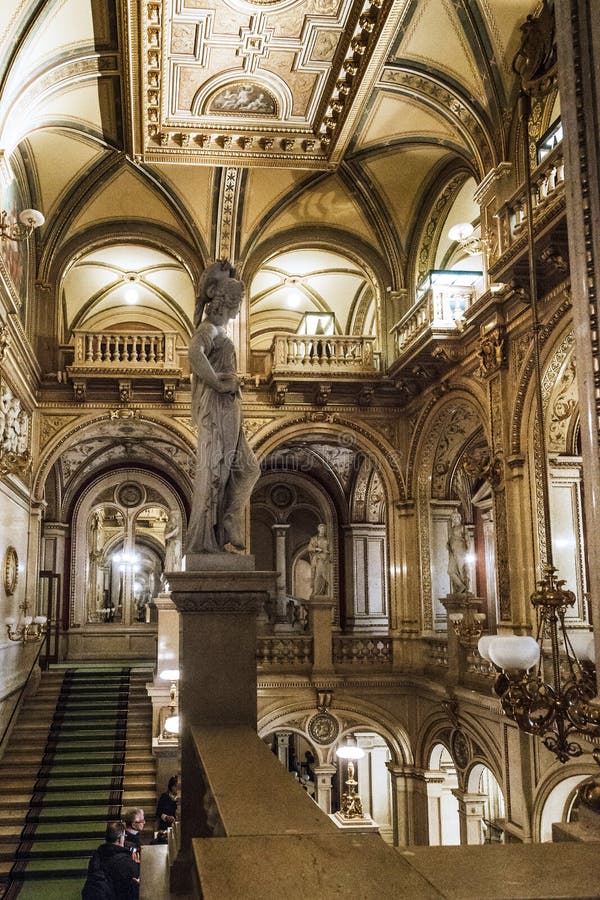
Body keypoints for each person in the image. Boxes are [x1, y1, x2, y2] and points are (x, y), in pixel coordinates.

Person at [186, 260, 260, 554]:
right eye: (237, 303)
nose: (239, 310)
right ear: (226, 303)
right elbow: (194, 353)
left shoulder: (219, 330)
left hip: (230, 407)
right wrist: (217, 383)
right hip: (218, 407)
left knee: (246, 469)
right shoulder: (210, 328)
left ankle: (227, 521)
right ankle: (210, 536)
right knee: (220, 469)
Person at [82, 820, 139, 900]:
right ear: (120, 838)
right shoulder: (125, 861)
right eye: (124, 836)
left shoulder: (96, 856)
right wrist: (136, 865)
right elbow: (134, 882)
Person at [447, 509, 470, 595]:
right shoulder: (452, 529)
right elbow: (450, 540)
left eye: (455, 518)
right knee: (450, 570)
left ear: (459, 518)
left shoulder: (462, 528)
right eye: (452, 518)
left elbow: (467, 540)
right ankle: (461, 586)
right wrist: (448, 544)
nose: (454, 519)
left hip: (461, 552)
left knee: (461, 570)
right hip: (453, 552)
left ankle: (465, 588)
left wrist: (467, 551)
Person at [308, 523, 331, 596]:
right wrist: (316, 549)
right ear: (318, 529)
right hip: (318, 558)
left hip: (326, 559)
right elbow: (309, 548)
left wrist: (328, 552)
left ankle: (324, 592)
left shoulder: (328, 539)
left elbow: (331, 549)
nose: (323, 530)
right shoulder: (314, 538)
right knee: (318, 575)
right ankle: (316, 592)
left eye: (324, 529)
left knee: (326, 576)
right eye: (321, 528)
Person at [155, 776, 178, 841]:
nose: (177, 788)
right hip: (165, 827)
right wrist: (166, 817)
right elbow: (158, 812)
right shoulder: (164, 797)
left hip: (177, 828)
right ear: (171, 786)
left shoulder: (181, 798)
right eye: (176, 786)